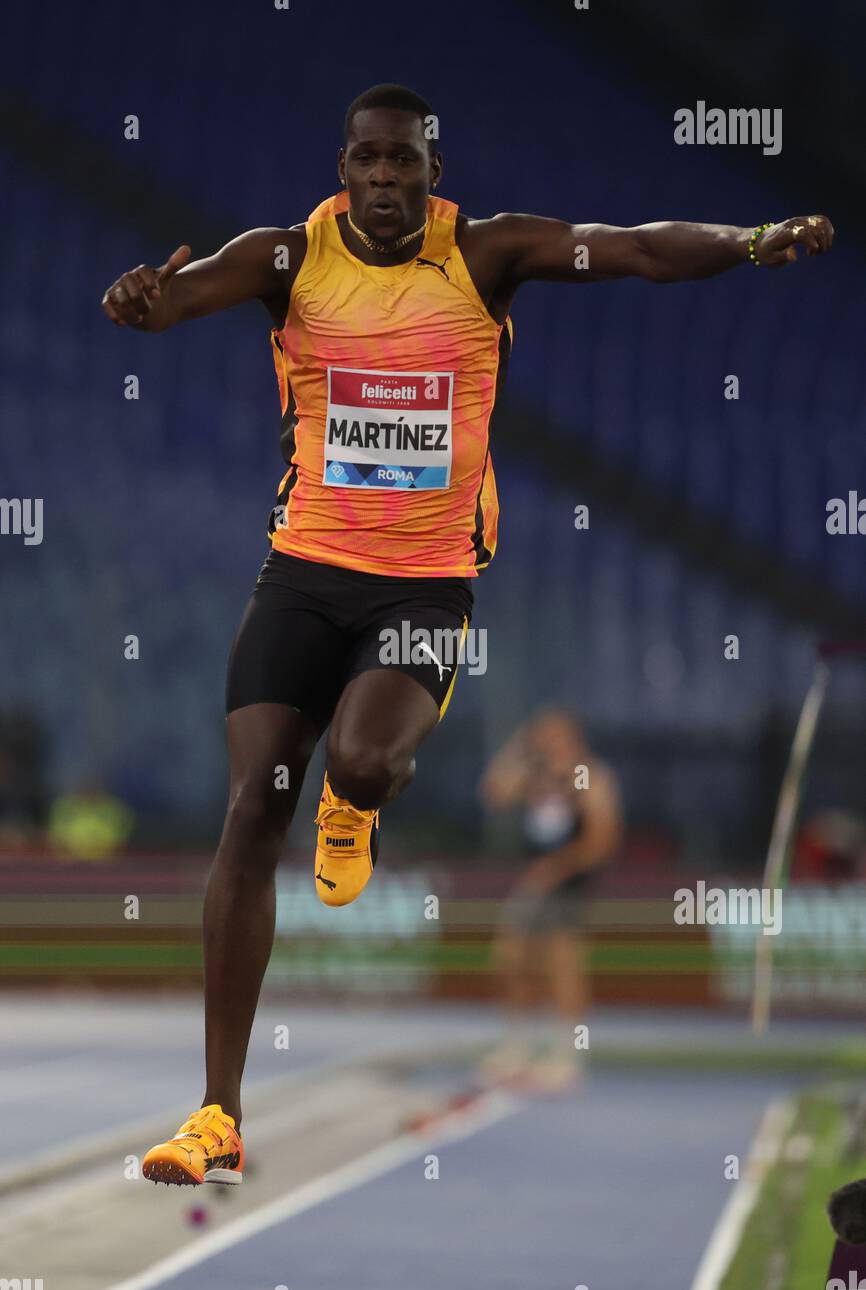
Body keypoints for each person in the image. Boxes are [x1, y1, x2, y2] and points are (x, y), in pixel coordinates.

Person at [101, 82, 834, 1183]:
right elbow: (175, 301)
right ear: (343, 168)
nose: (383, 179)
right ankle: (216, 1115)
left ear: (431, 171)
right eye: (366, 160)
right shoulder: (286, 259)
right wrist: (141, 302)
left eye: (402, 161)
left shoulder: (486, 255)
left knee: (363, 758)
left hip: (421, 587)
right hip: (301, 574)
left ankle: (352, 806)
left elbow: (633, 249)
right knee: (251, 809)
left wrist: (749, 239)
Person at [479, 708, 622, 1088]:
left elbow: (603, 838)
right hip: (533, 879)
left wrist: (558, 868)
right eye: (541, 735)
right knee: (512, 958)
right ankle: (518, 1046)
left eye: (554, 735)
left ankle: (567, 1053)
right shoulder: (535, 773)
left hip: (568, 879)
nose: (547, 742)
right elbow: (493, 791)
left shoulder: (589, 775)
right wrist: (518, 745)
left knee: (563, 964)